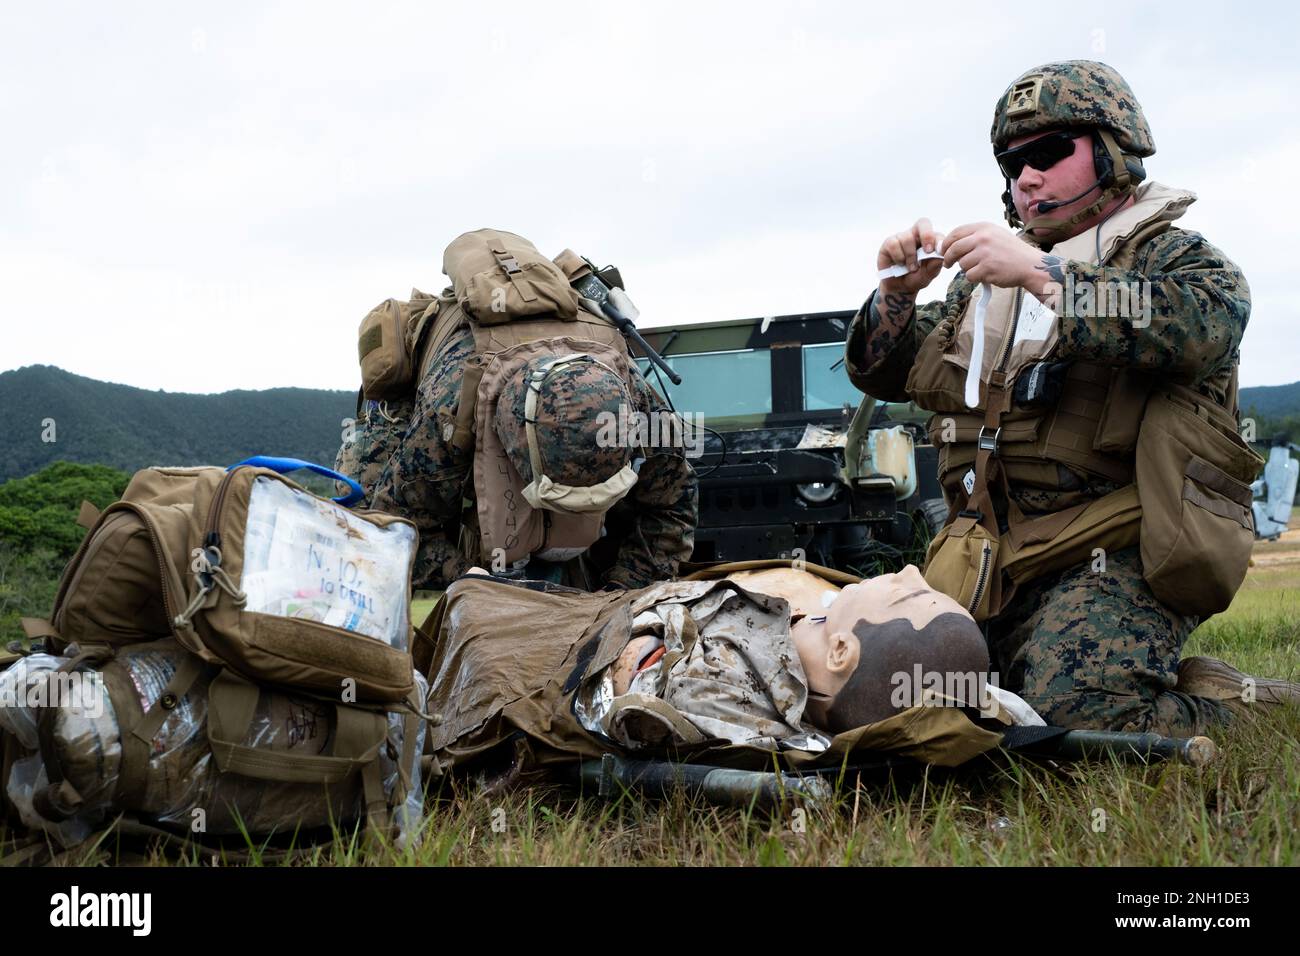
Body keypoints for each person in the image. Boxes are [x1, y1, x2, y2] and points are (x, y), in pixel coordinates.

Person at [845, 60, 1298, 735]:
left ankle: (1243, 704)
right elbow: (887, 372)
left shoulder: (1173, 258)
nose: (1026, 177)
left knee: (1078, 711)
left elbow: (1200, 326)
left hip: (1122, 547)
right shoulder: (982, 286)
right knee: (898, 693)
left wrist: (1041, 274)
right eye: (1012, 163)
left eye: (1050, 153)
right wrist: (896, 297)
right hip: (991, 556)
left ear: (1114, 149)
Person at [339, 230, 698, 593]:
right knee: (366, 542)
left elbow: (672, 507)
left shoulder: (634, 396)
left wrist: (623, 589)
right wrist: (469, 579)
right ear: (512, 447)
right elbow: (397, 528)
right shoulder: (451, 405)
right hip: (444, 439)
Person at [421, 563, 1024, 779]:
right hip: (617, 605)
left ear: (843, 653)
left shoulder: (735, 684)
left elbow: (639, 701)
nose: (914, 572)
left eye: (907, 596)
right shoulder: (819, 626)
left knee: (469, 601)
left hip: (565, 644)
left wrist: (648, 648)